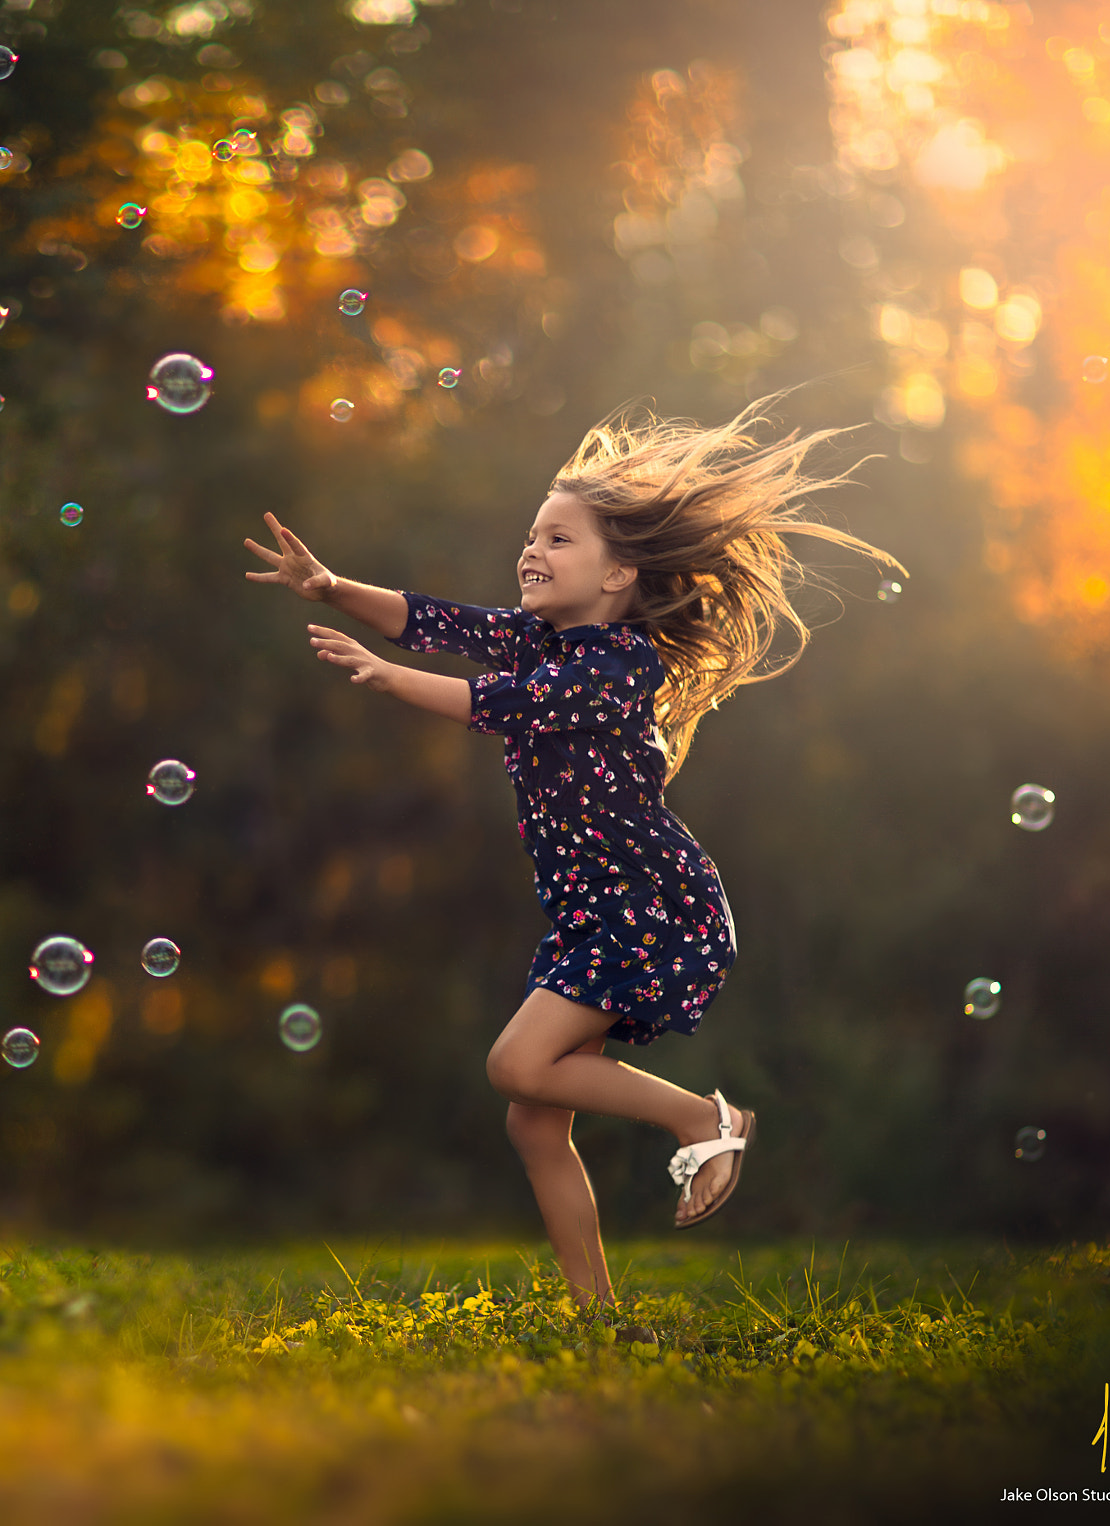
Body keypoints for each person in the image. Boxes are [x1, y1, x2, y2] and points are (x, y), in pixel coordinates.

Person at [244, 398, 904, 1322]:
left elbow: (497, 705)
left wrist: (388, 679)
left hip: (648, 903)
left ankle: (702, 1118)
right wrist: (330, 587)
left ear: (619, 571)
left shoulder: (617, 666)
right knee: (533, 1121)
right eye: (531, 536)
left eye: (558, 539)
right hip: (591, 912)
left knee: (516, 1066)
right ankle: (596, 1316)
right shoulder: (542, 639)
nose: (532, 551)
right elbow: (431, 620)